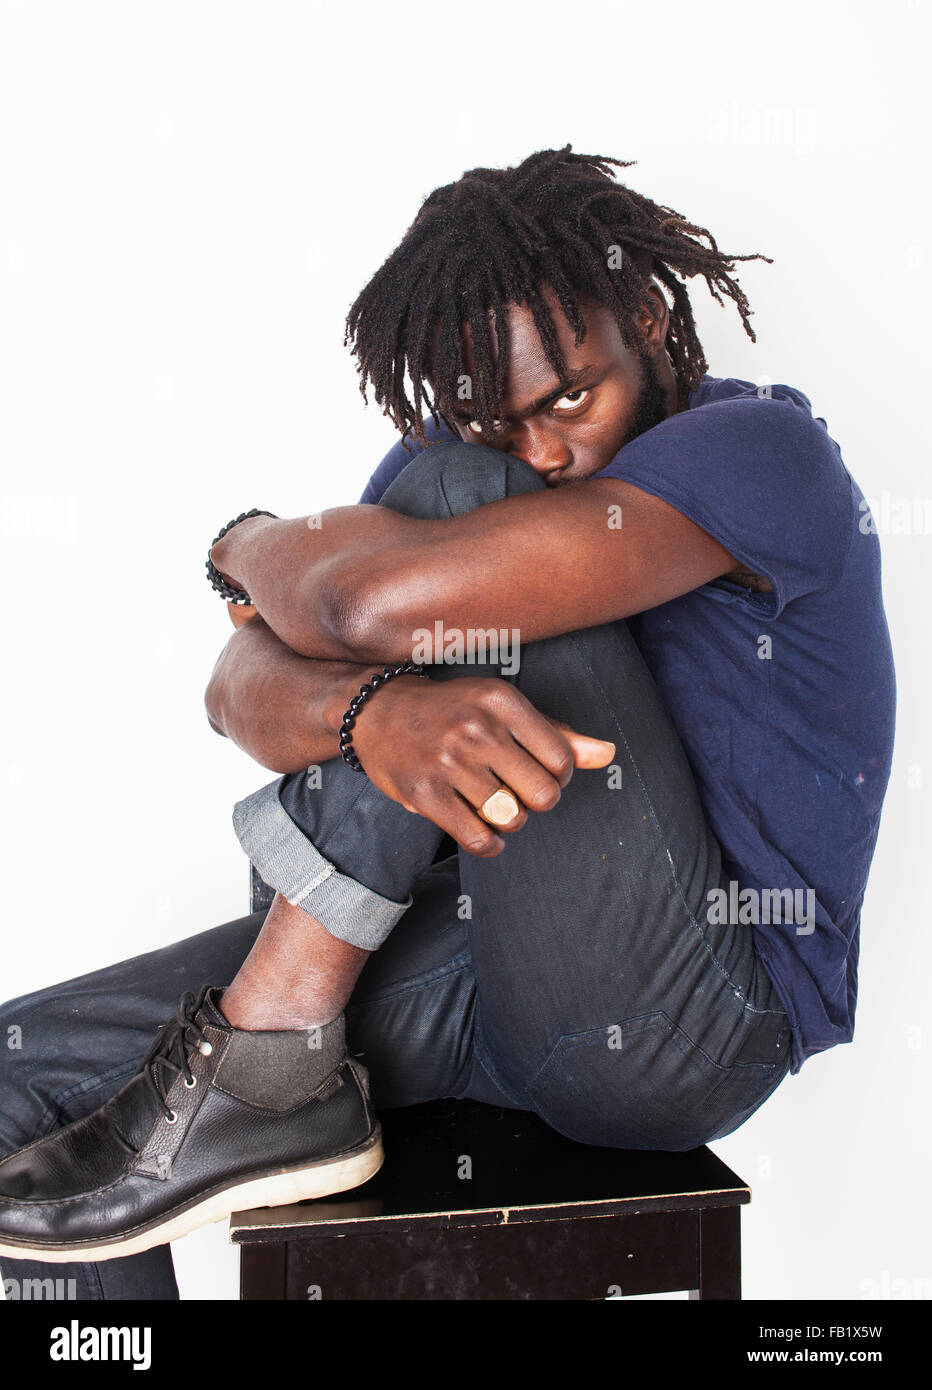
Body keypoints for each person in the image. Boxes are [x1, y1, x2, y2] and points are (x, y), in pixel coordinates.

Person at [0, 147, 895, 1300]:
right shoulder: (458, 457)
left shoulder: (761, 456)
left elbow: (354, 598)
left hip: (688, 1020)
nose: (541, 449)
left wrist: (241, 540)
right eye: (486, 416)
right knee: (23, 1083)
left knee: (459, 516)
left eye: (568, 396)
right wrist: (377, 712)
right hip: (484, 968)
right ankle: (273, 1069)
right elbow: (236, 687)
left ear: (647, 316)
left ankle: (269, 1048)